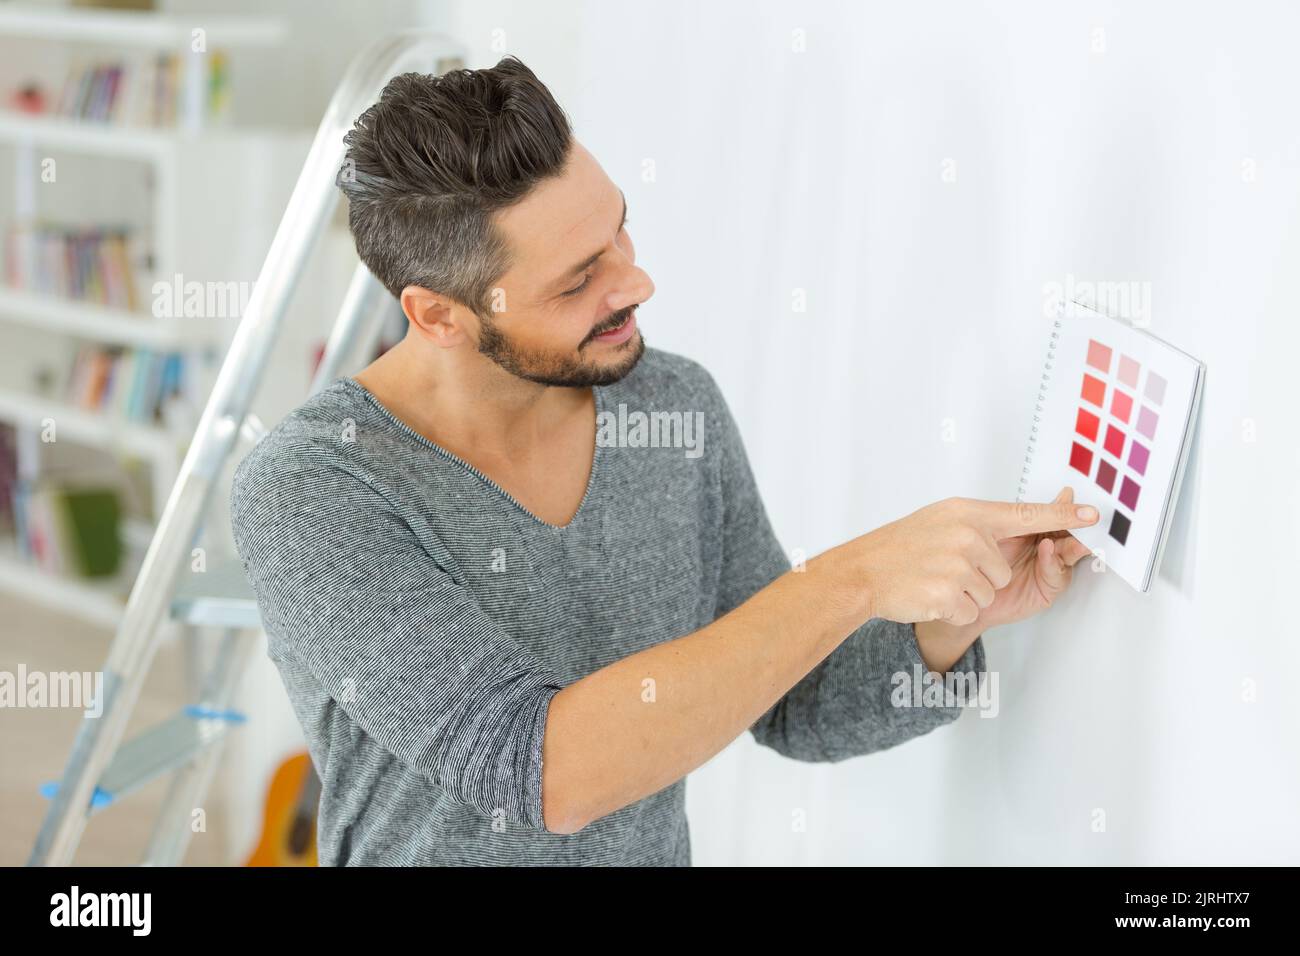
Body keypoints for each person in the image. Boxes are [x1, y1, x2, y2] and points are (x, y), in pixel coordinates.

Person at [230, 56, 1100, 866]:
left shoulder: (671, 409)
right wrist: (857, 578)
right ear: (439, 316)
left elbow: (793, 701)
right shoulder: (316, 487)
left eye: (619, 232)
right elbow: (535, 772)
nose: (633, 283)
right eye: (576, 282)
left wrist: (953, 616)